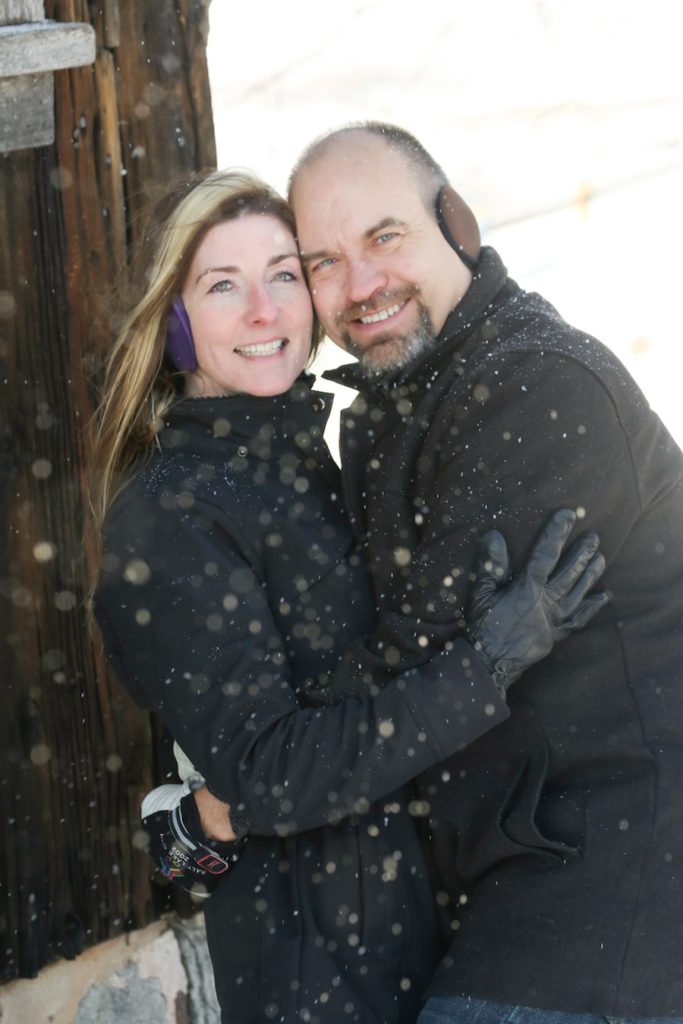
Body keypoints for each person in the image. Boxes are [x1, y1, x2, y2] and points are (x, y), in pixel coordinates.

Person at [89, 169, 606, 1024]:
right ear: (176, 324)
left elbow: (361, 676)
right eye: (224, 286)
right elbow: (270, 773)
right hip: (317, 962)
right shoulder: (170, 516)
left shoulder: (304, 463)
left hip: (426, 912)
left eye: (284, 275)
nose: (265, 311)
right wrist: (486, 664)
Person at [288, 121, 683, 1024]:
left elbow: (412, 651)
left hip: (621, 880)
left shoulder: (536, 386)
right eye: (322, 262)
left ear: (454, 223)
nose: (360, 285)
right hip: (518, 879)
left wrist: (260, 749)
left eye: (384, 238)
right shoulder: (400, 397)